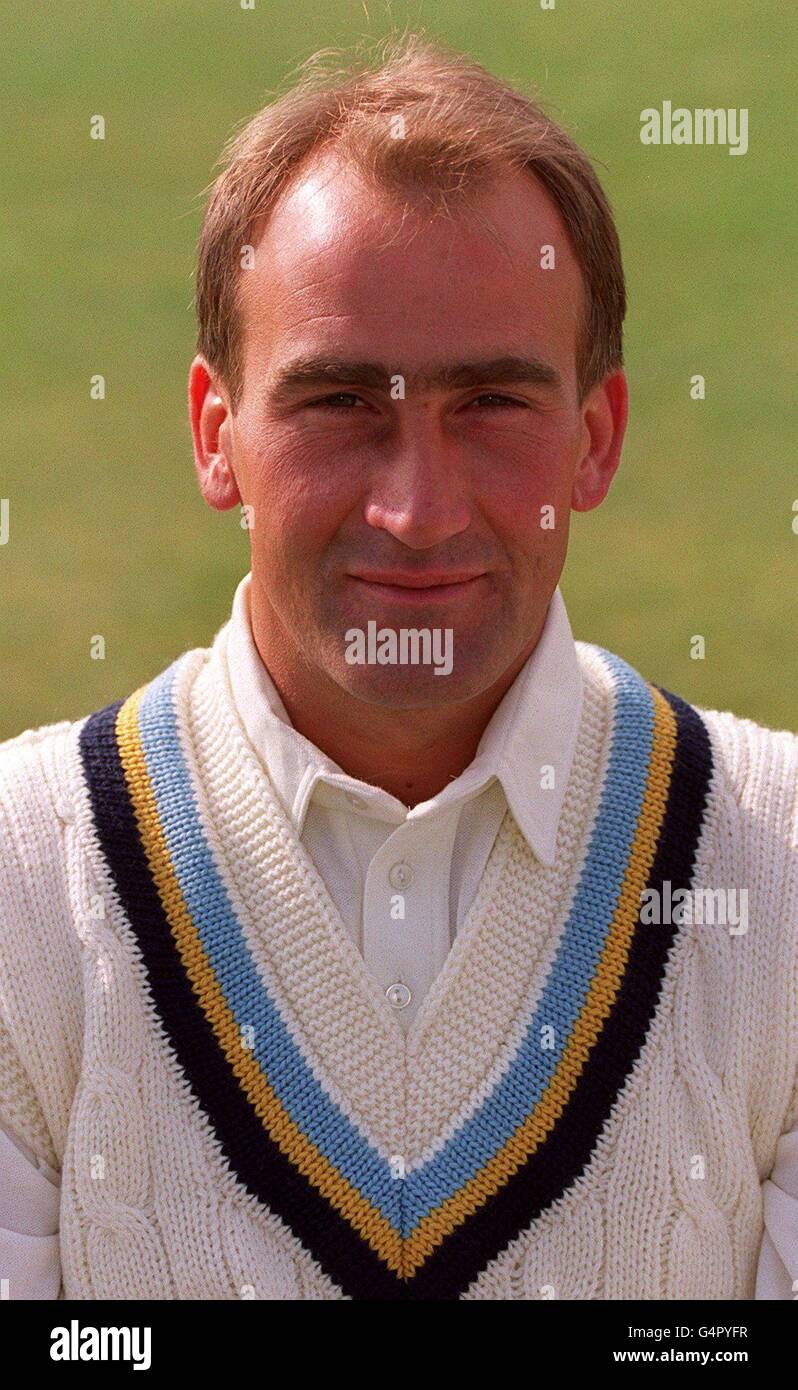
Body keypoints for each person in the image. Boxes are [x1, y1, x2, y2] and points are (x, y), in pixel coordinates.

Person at [1, 34, 796, 1301]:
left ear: (596, 440)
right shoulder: (24, 887)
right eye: (337, 405)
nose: (418, 510)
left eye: (491, 404)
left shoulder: (781, 873)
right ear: (218, 437)